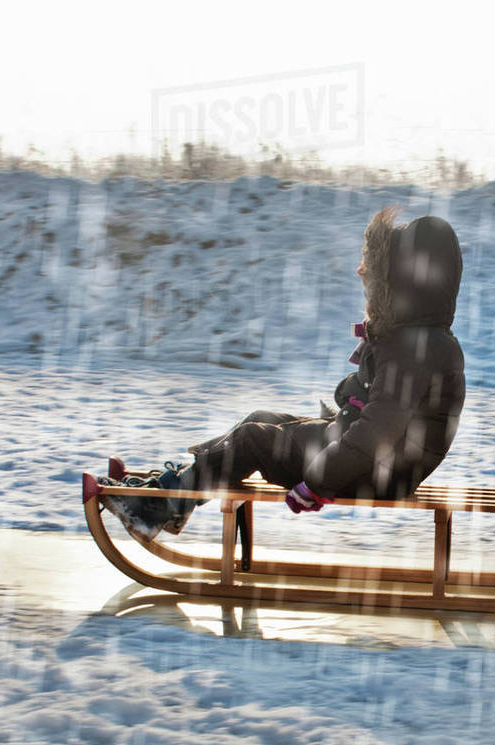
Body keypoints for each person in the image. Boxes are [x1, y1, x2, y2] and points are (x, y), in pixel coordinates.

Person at [99, 204, 466, 541]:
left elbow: (377, 431)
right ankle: (172, 494)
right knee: (261, 419)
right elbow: (378, 416)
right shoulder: (418, 338)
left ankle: (157, 508)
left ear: (406, 280)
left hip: (380, 472)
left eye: (381, 271)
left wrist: (320, 481)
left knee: (252, 439)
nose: (363, 273)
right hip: (381, 465)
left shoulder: (415, 347)